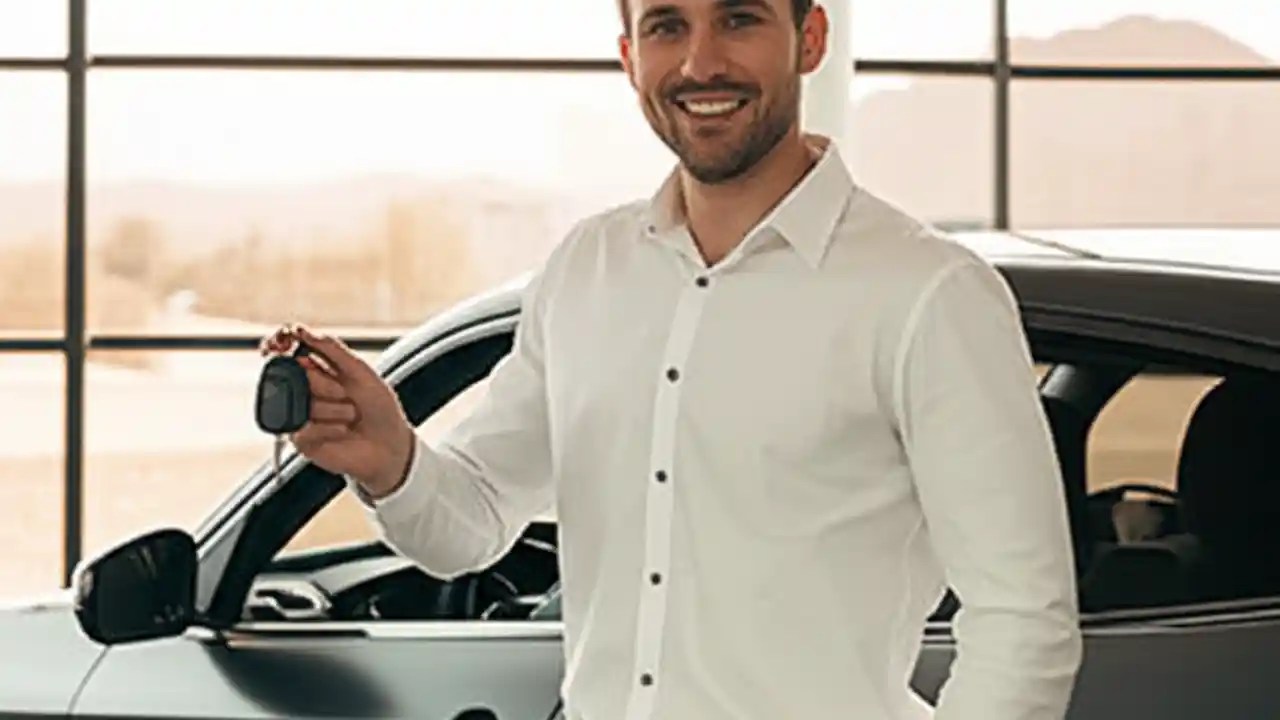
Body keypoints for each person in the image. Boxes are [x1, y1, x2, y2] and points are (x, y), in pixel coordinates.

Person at [260, 0, 1083, 717]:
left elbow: (1025, 618)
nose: (700, 62)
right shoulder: (586, 270)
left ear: (810, 37)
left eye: (737, 18)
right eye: (665, 26)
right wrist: (393, 460)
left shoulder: (930, 293)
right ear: (629, 56)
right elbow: (471, 523)